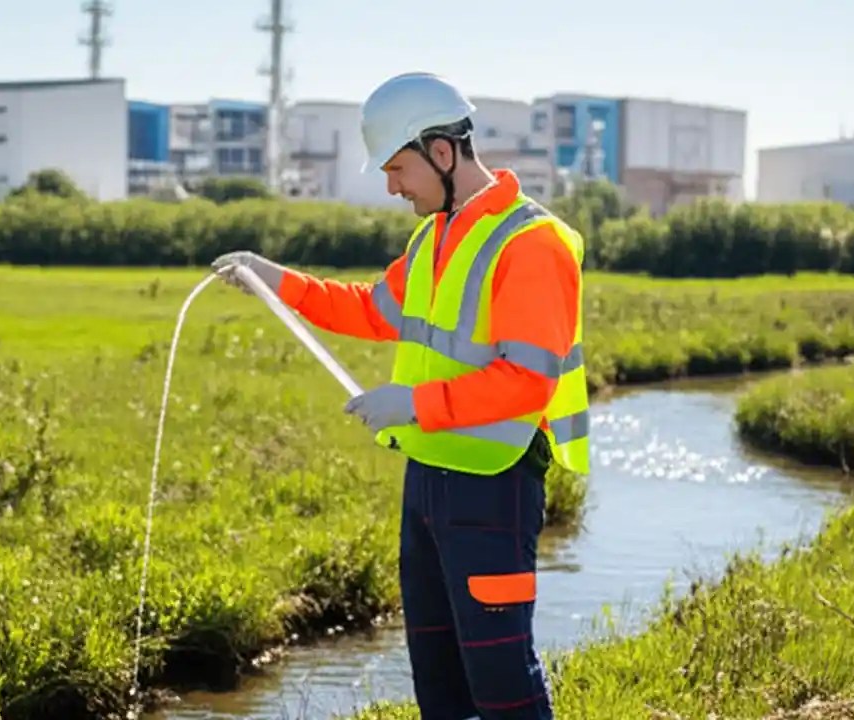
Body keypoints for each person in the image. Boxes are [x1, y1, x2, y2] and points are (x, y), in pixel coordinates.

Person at [211, 71, 588, 720]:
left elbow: (529, 381)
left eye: (397, 168)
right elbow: (370, 309)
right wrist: (277, 282)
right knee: (439, 686)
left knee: (502, 682)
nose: (391, 185)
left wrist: (413, 405)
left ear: (442, 153)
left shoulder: (532, 244)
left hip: (493, 487)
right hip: (429, 485)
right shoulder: (435, 237)